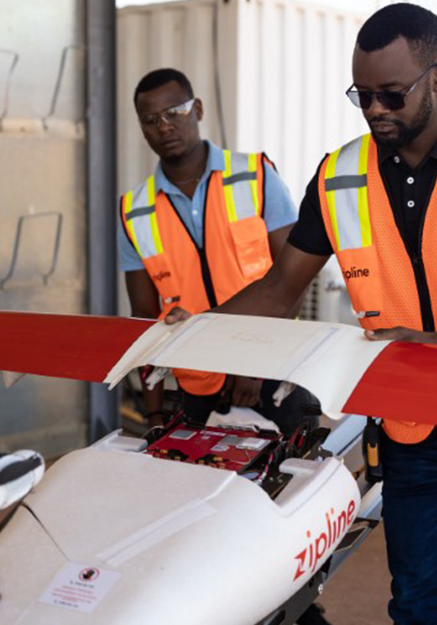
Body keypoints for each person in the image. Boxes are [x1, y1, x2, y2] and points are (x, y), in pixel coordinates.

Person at [168, 4, 437, 624]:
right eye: (362, 95)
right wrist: (195, 332)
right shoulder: (340, 175)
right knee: (415, 606)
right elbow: (279, 289)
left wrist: (427, 343)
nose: (376, 110)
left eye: (392, 94)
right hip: (415, 429)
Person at [120, 68, 317, 435]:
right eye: (151, 120)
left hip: (276, 375)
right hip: (195, 389)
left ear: (197, 109)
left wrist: (253, 367)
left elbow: (294, 278)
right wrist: (154, 417)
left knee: (291, 486)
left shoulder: (255, 176)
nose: (164, 126)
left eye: (174, 112)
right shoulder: (134, 211)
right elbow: (143, 321)